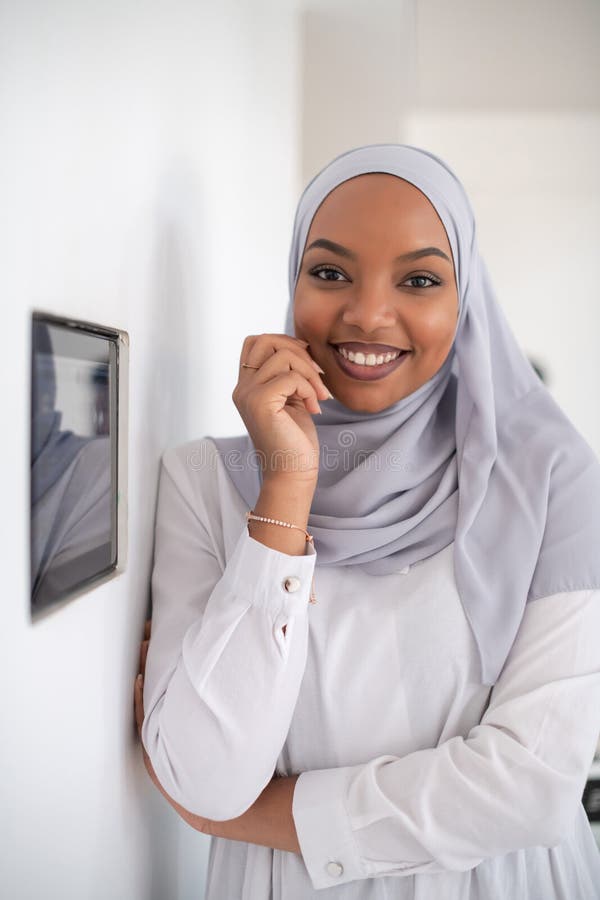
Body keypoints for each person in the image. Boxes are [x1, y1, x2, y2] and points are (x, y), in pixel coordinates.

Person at [135, 144, 600, 898]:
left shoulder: (550, 477)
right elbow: (207, 777)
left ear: (466, 296)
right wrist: (285, 484)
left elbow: (531, 785)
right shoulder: (205, 484)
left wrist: (254, 818)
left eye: (419, 279)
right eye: (329, 272)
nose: (367, 315)